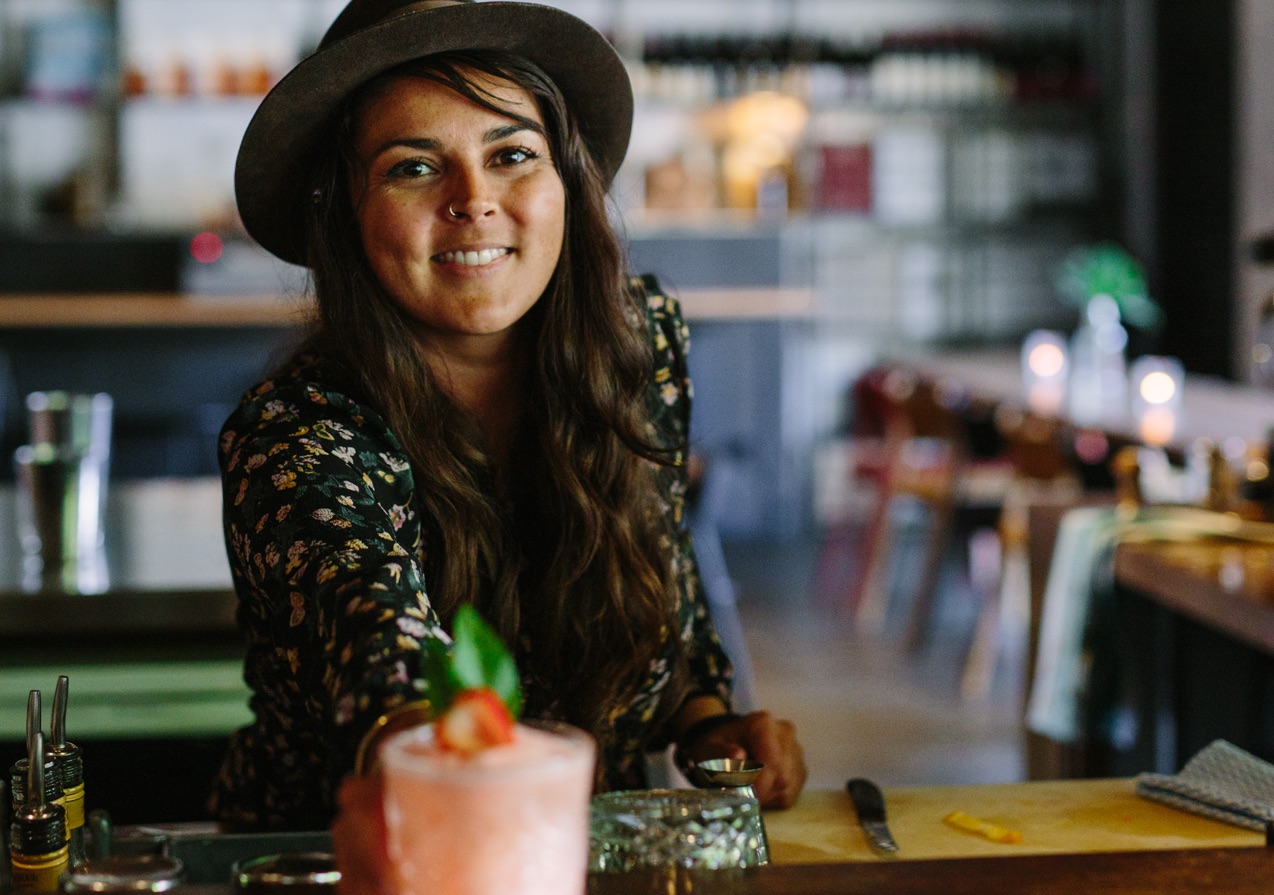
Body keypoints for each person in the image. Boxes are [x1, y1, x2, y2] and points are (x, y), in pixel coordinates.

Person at [212, 0, 807, 835]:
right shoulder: (299, 434)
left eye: (513, 154)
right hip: (350, 860)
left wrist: (708, 719)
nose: (474, 201)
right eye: (414, 167)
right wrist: (422, 734)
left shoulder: (640, 344)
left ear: (567, 181)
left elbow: (659, 570)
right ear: (346, 208)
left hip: (599, 850)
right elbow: (383, 659)